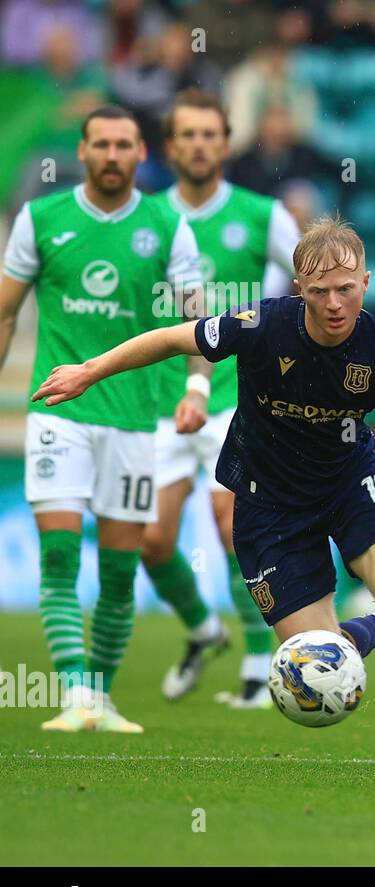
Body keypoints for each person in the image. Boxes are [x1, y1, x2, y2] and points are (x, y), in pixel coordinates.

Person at [31, 215, 375, 747]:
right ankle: (373, 630)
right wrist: (89, 370)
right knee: (312, 665)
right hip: (268, 506)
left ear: (367, 284)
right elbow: (172, 339)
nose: (335, 304)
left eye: (347, 290)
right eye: (321, 291)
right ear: (299, 287)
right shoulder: (259, 323)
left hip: (349, 483)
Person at [0, 103, 202, 732]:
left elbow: (197, 322)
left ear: (142, 153)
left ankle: (102, 697)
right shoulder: (41, 218)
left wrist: (196, 386)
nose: (112, 156)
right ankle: (76, 697)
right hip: (59, 411)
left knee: (119, 569)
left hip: (136, 420)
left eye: (124, 145)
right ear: (81, 152)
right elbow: (6, 311)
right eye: (101, 145)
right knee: (59, 556)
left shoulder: (169, 225)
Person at [148, 87, 301, 709]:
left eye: (211, 134)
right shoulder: (148, 216)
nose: (200, 144)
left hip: (237, 401)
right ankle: (202, 630)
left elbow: (310, 282)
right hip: (154, 402)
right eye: (188, 134)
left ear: (227, 143)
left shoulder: (264, 215)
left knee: (230, 527)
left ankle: (260, 662)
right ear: (171, 146)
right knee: (152, 543)